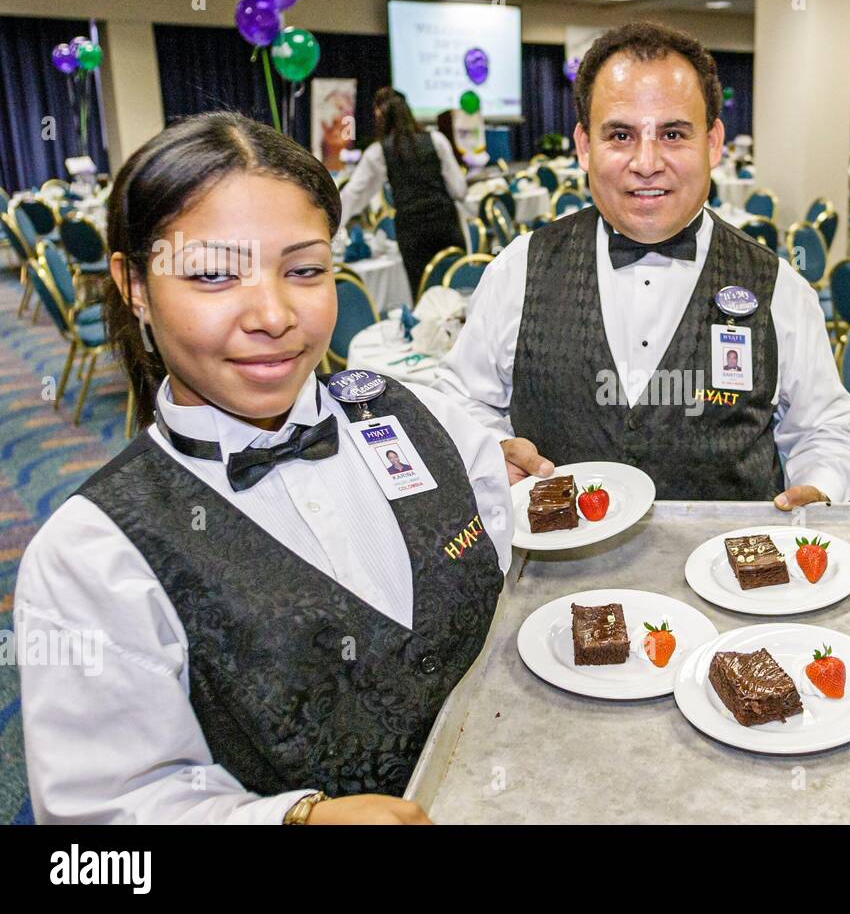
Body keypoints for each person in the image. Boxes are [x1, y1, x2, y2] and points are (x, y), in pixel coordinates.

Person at [16, 112, 513, 824]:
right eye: (214, 275)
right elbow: (108, 818)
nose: (273, 314)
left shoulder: (416, 413)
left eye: (304, 270)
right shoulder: (90, 559)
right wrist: (294, 820)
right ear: (133, 286)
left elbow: (511, 564)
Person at [433, 21, 850, 508]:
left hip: (727, 572)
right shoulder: (519, 269)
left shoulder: (778, 287)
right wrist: (492, 449)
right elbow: (462, 399)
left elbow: (824, 430)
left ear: (713, 142)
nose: (646, 162)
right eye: (620, 134)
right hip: (555, 575)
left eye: (673, 134)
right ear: (583, 145)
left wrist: (821, 487)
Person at [337, 87, 466, 297]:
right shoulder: (436, 140)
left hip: (413, 233)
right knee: (457, 288)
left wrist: (331, 225)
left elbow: (354, 195)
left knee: (424, 296)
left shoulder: (379, 151)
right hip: (446, 225)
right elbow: (459, 190)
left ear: (380, 115)